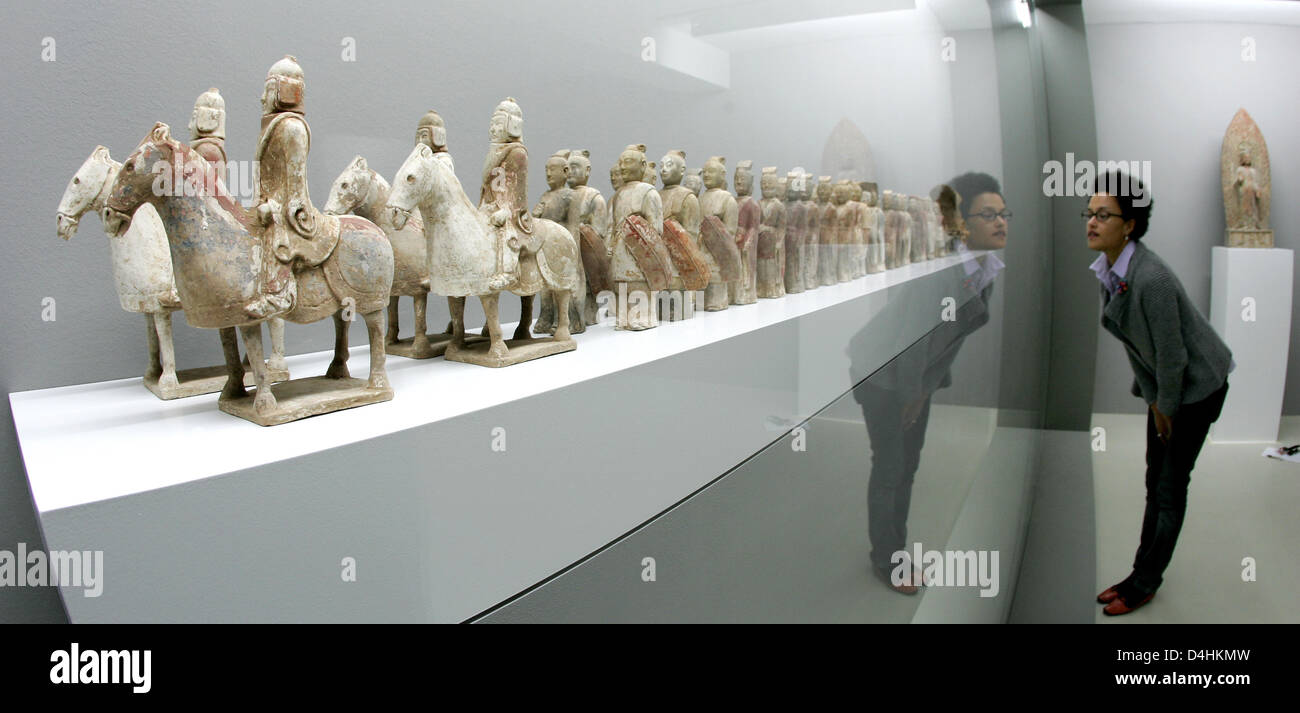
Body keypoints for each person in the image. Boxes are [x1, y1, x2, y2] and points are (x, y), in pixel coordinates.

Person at [1087, 170, 1232, 616]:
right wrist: (1154, 401)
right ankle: (1137, 574)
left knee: (1169, 488)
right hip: (1170, 388)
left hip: (1200, 385)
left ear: (1129, 224)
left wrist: (1165, 407)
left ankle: (1145, 583)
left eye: (1103, 215)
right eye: (1088, 213)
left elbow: (1172, 357)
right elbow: (1137, 346)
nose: (1091, 222)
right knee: (1155, 481)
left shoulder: (1152, 279)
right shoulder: (1110, 269)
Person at [852, 172, 1005, 594]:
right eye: (988, 214)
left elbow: (948, 341)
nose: (1001, 222)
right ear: (961, 222)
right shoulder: (940, 268)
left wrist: (922, 390)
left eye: (1003, 213)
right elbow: (912, 341)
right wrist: (911, 394)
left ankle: (893, 547)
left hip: (912, 378)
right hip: (882, 373)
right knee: (891, 465)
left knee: (907, 465)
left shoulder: (983, 267)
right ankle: (887, 559)